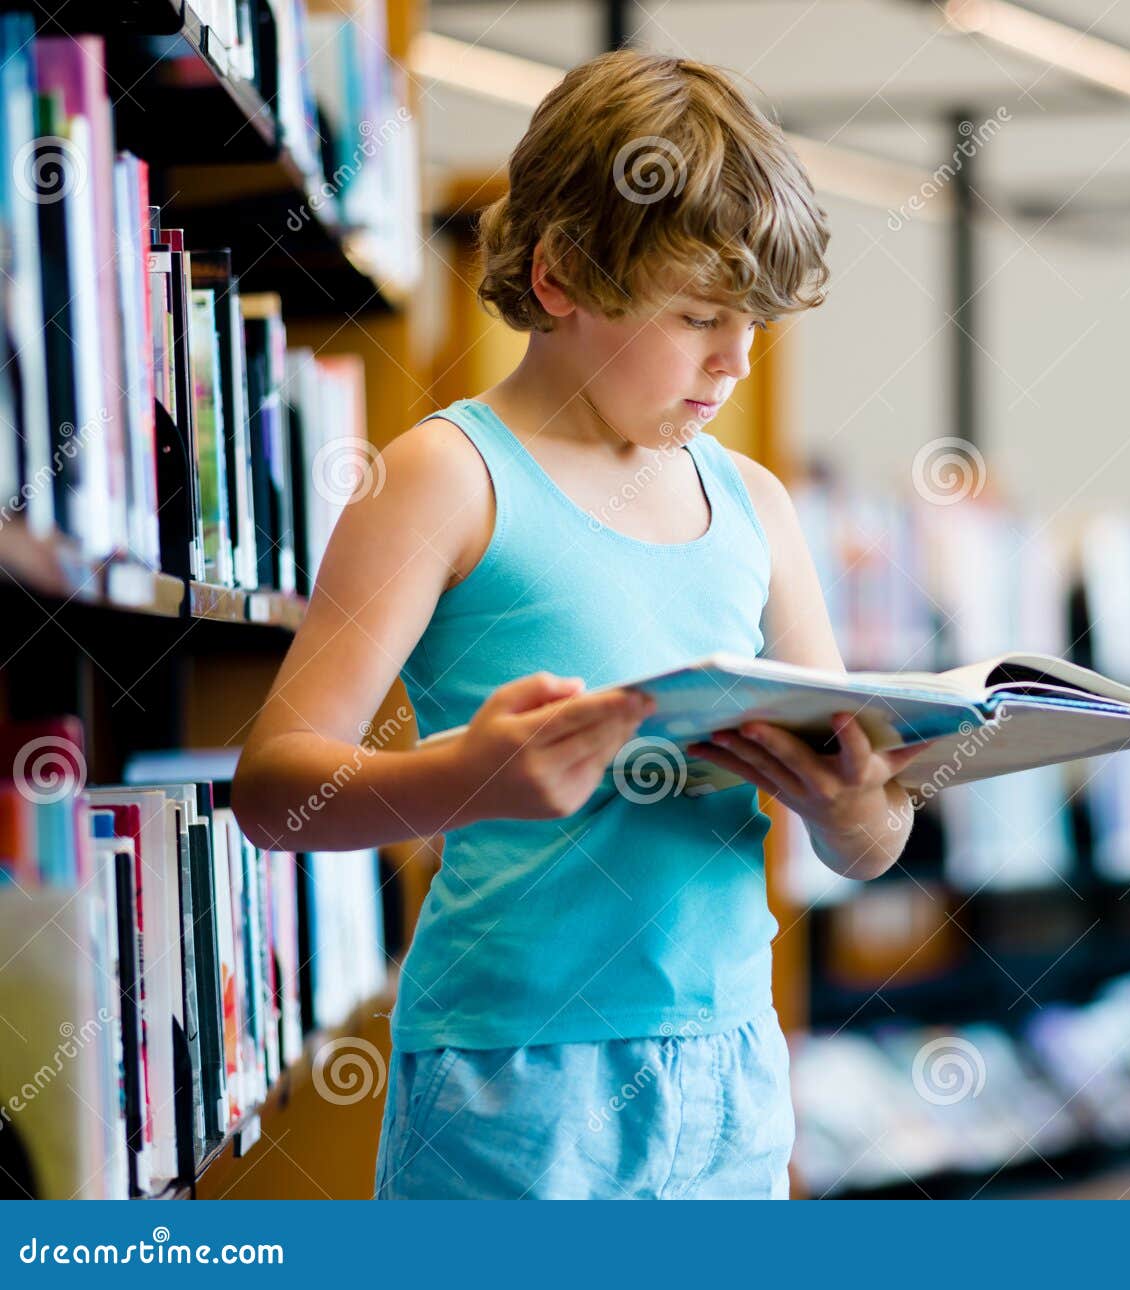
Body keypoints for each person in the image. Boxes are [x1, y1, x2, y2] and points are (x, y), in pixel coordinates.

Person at [232, 48, 930, 1199]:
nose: (734, 358)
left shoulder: (756, 504)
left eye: (750, 320)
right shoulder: (444, 478)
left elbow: (868, 832)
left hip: (730, 1064)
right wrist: (471, 776)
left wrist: (855, 808)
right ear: (559, 277)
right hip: (516, 1070)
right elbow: (272, 789)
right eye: (700, 314)